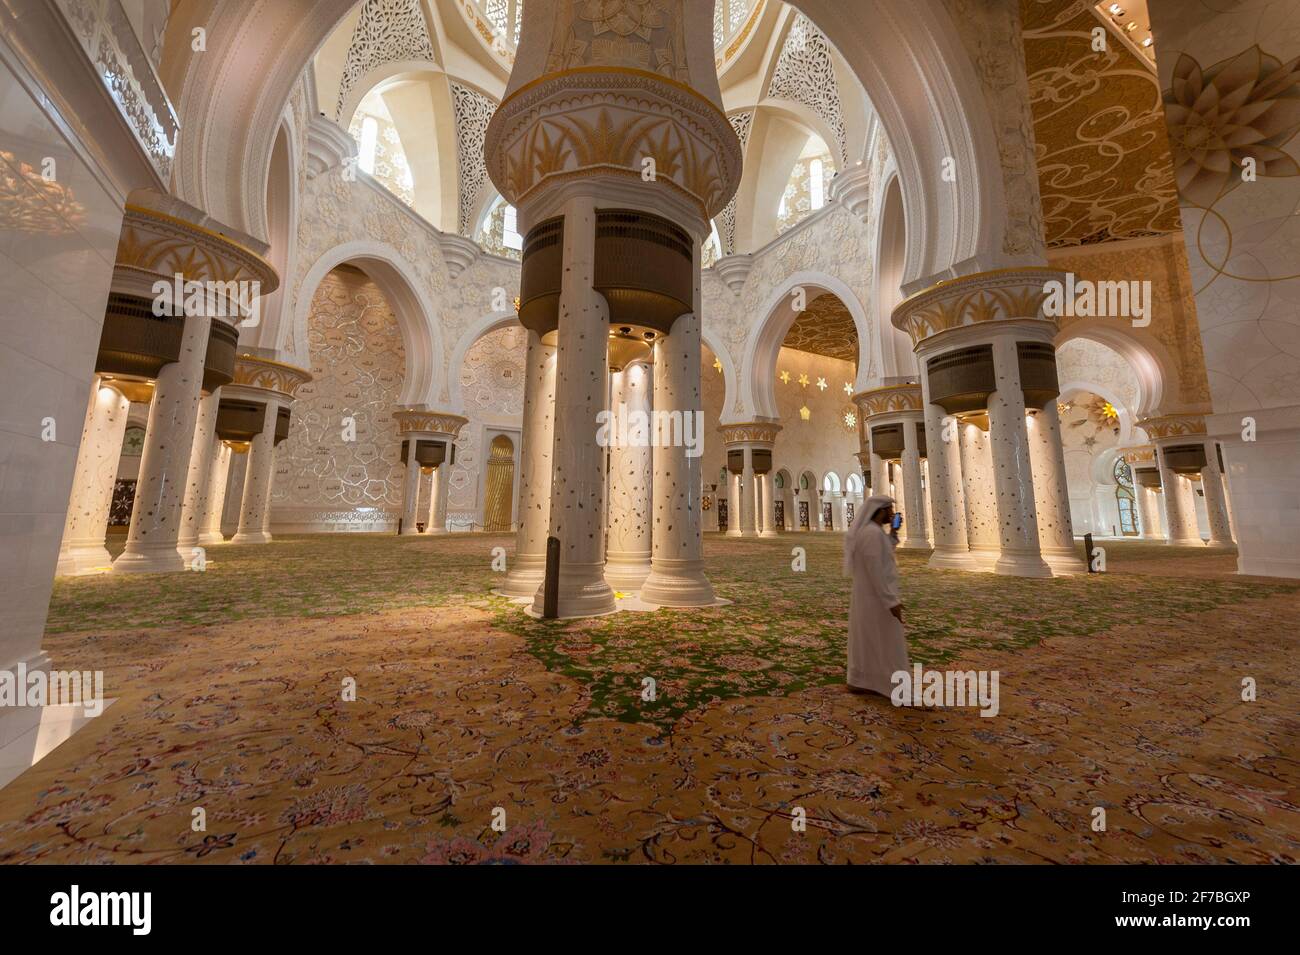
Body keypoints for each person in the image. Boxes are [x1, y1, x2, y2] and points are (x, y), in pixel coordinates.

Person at [843, 494, 910, 696]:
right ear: (879, 512)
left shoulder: (875, 532)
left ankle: (863, 679)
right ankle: (891, 685)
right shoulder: (871, 534)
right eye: (889, 510)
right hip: (875, 597)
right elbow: (876, 571)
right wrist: (890, 601)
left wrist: (893, 533)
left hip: (872, 596)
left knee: (870, 638)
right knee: (882, 639)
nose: (892, 514)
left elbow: (884, 553)